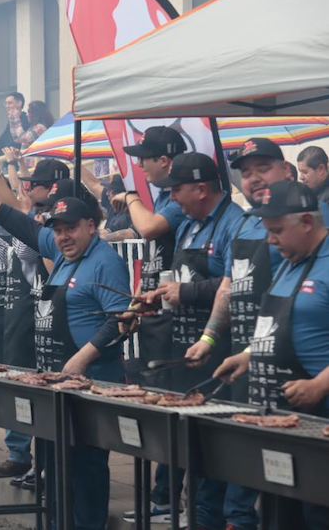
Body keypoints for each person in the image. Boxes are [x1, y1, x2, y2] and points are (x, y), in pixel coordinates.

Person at [0, 177, 130, 530]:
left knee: (85, 470)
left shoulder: (104, 261)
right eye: (58, 230)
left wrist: (83, 357)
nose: (63, 236)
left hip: (92, 384)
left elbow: (123, 319)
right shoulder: (61, 254)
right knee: (54, 468)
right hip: (55, 384)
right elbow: (23, 227)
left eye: (71, 229)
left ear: (90, 226)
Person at [213, 179, 329, 530]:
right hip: (281, 414)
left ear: (307, 222)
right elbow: (279, 325)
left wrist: (321, 384)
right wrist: (249, 355)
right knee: (280, 515)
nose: (270, 240)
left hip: (321, 415)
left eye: (277, 230)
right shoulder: (289, 263)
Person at [141, 153, 244, 530]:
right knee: (190, 450)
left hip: (218, 357)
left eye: (177, 191)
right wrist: (160, 295)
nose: (172, 200)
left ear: (201, 189)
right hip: (182, 355)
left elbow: (238, 283)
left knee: (213, 453)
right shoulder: (188, 223)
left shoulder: (234, 223)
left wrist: (186, 291)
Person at [111, 125, 188, 525]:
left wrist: (131, 197)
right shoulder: (165, 199)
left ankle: (169, 497)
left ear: (166, 160)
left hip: (180, 320)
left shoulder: (175, 199)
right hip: (155, 312)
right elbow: (142, 235)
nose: (139, 165)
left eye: (145, 158)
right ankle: (162, 495)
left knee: (173, 409)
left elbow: (150, 228)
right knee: (156, 408)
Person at [0, 92, 30, 156]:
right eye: (6, 103)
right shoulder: (11, 122)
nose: (7, 106)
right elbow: (2, 142)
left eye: (10, 103)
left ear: (19, 103)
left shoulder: (26, 120)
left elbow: (18, 143)